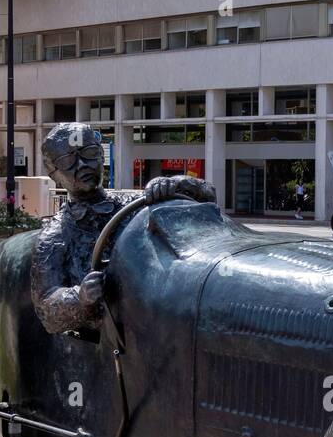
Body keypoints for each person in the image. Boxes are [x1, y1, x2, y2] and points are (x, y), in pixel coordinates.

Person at [31, 121, 214, 335]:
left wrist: (177, 184)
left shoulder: (137, 203)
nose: (82, 165)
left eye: (89, 153)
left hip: (163, 324)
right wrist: (80, 297)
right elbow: (46, 310)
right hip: (110, 345)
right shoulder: (54, 237)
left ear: (101, 155)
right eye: (69, 160)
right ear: (54, 174)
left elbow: (208, 197)